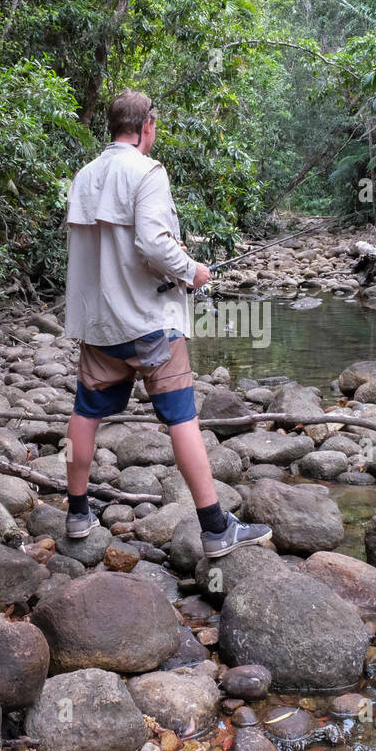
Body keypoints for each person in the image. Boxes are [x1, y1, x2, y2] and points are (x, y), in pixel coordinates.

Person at [63, 90, 272, 557]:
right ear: (145, 128)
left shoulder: (85, 176)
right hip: (150, 324)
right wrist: (191, 271)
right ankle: (216, 528)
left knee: (86, 412)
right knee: (182, 419)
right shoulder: (148, 172)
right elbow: (154, 244)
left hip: (99, 326)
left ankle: (77, 514)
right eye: (154, 126)